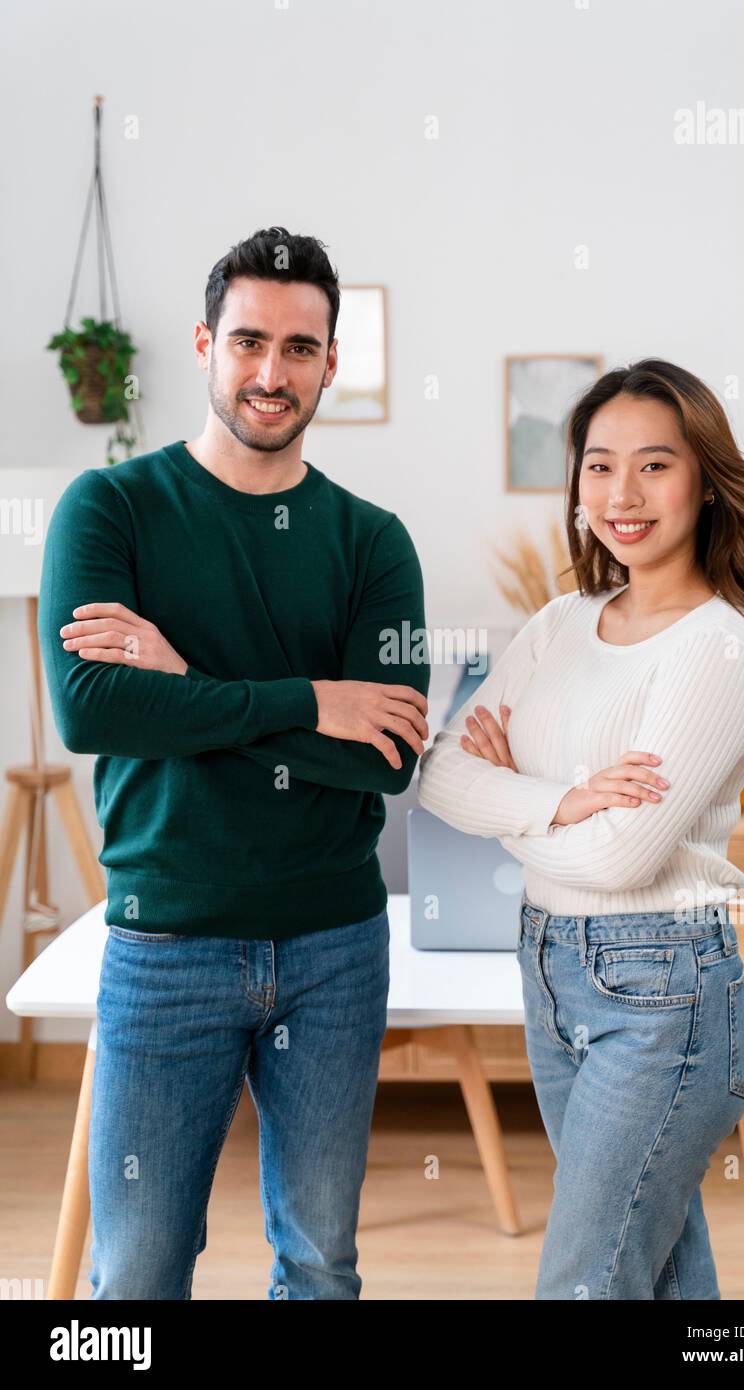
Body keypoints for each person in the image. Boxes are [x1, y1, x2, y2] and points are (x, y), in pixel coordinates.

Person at [38, 226, 430, 1300]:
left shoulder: (373, 542)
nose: (271, 372)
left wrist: (183, 678)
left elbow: (389, 757)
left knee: (320, 1262)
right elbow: (92, 708)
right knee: (136, 1270)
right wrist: (314, 700)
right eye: (249, 340)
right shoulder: (109, 508)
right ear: (206, 343)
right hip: (167, 939)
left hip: (336, 946)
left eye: (300, 349)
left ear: (330, 364)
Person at [417, 358, 744, 1300]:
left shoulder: (717, 646)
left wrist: (516, 794)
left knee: (585, 1278)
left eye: (654, 465)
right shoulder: (558, 624)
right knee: (656, 1267)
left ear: (705, 481)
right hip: (549, 969)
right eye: (598, 465)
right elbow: (434, 773)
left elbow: (623, 859)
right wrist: (562, 800)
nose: (621, 494)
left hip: (663, 991)